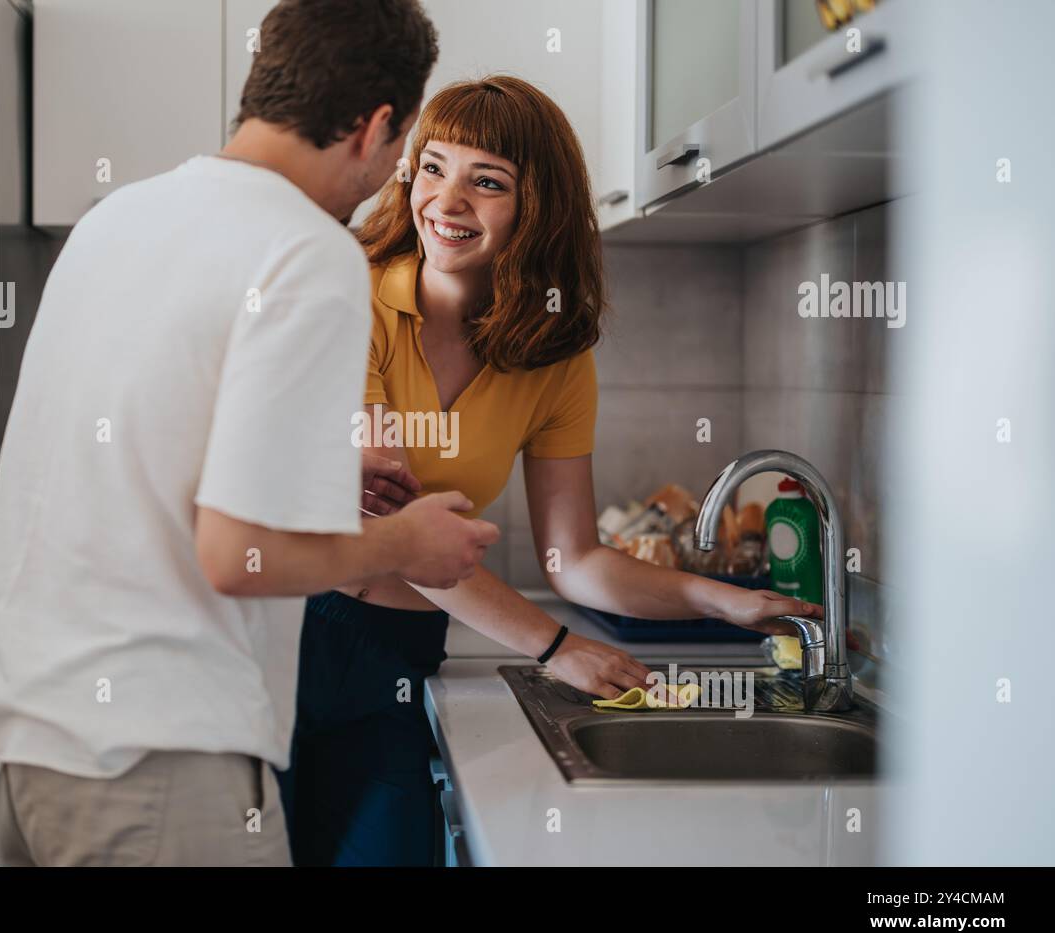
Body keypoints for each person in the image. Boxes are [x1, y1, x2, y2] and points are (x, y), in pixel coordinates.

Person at [0, 0, 499, 867]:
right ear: (377, 125)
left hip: (9, 746)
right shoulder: (308, 251)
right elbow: (234, 554)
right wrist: (404, 541)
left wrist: (316, 462)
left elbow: (137, 446)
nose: (397, 174)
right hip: (150, 760)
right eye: (404, 150)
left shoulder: (115, 218)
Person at [278, 75, 823, 867]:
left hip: (399, 653)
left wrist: (722, 600)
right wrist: (554, 645)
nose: (448, 200)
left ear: (539, 207)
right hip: (284, 637)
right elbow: (391, 532)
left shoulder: (554, 358)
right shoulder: (348, 297)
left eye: (487, 182)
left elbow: (573, 558)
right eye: (433, 167)